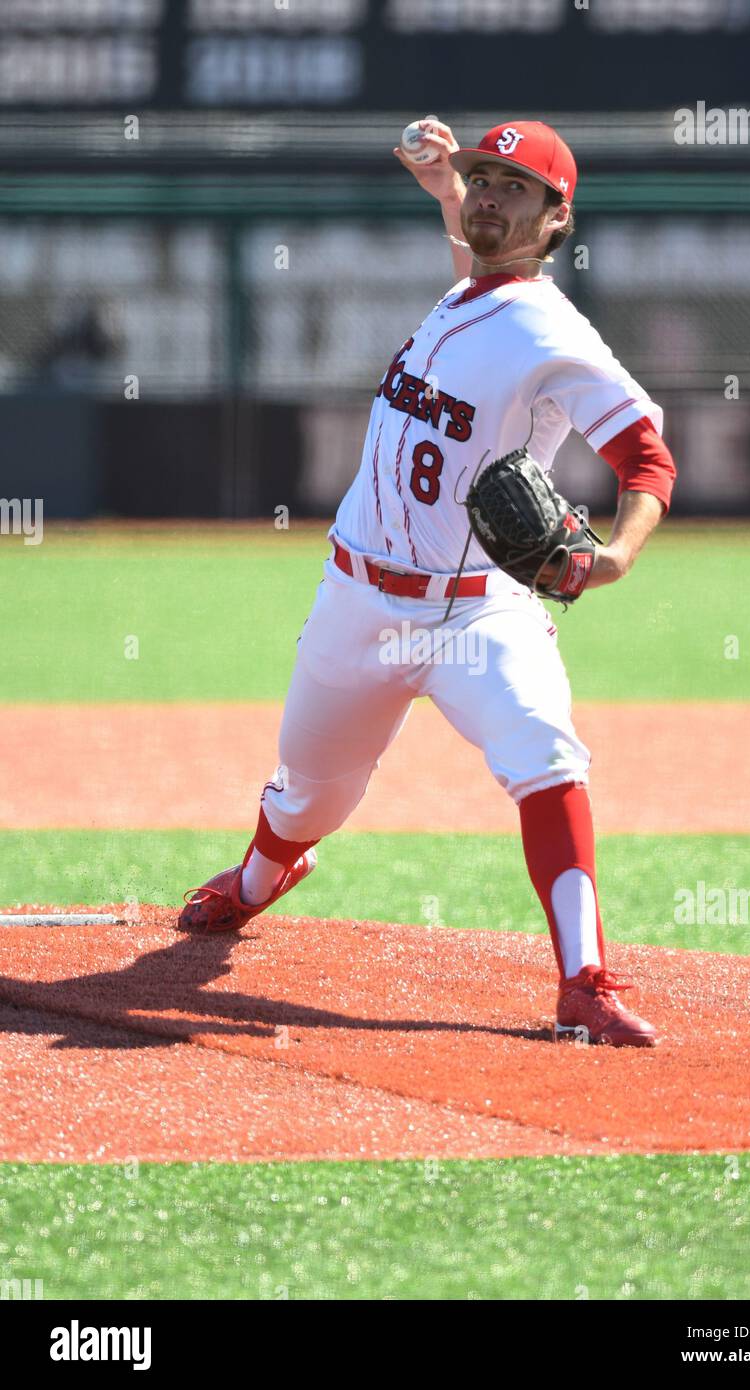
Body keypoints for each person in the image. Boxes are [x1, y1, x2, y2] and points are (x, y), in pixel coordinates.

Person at [179, 119, 677, 1047]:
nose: (489, 195)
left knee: (547, 757)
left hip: (476, 614)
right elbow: (480, 260)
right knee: (306, 799)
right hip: (356, 598)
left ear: (555, 216)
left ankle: (586, 980)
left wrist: (616, 556)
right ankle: (257, 881)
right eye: (484, 179)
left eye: (512, 187)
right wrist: (449, 187)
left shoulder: (554, 333)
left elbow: (648, 461)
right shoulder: (468, 295)